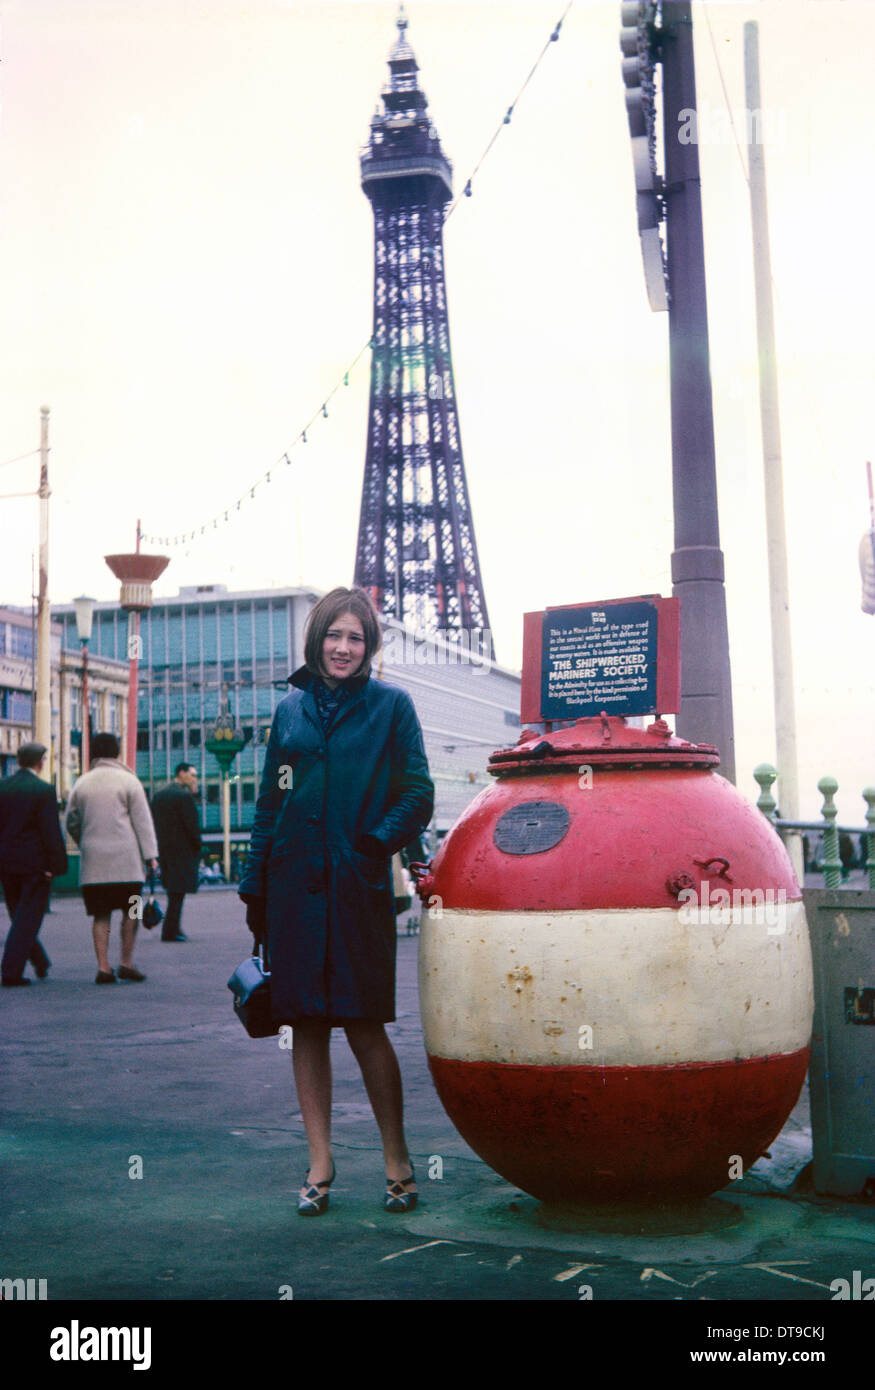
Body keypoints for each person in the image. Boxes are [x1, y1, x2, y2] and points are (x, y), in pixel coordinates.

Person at [238, 586, 434, 1217]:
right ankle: (320, 1160)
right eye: (334, 635)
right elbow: (273, 800)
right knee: (305, 1027)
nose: (344, 648)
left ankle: (396, 1157)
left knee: (365, 1024)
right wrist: (254, 883)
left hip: (357, 890)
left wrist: (371, 845)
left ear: (369, 646)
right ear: (316, 638)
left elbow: (418, 793)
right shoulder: (289, 712)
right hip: (291, 890)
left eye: (356, 637)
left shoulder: (392, 707)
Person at [64, 732, 159, 984]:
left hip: (94, 864)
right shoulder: (129, 781)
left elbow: (71, 820)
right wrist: (151, 856)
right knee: (133, 911)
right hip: (128, 863)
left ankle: (103, 967)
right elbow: (143, 821)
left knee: (100, 914)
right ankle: (126, 962)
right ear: (117, 752)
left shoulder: (82, 783)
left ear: (93, 752)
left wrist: (85, 838)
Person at [0, 742, 68, 986]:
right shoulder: (43, 790)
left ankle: (40, 961)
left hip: (6, 863)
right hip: (34, 864)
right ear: (40, 762)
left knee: (18, 913)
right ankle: (11, 971)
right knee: (28, 917)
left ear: (18, 761)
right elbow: (50, 830)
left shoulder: (2, 787)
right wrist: (57, 864)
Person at [150, 762, 201, 942]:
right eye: (192, 775)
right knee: (178, 893)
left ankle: (172, 928)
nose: (194, 779)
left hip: (164, 850)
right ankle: (171, 930)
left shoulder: (159, 795)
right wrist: (197, 845)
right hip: (182, 851)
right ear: (182, 773)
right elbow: (191, 826)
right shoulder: (183, 797)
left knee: (173, 891)